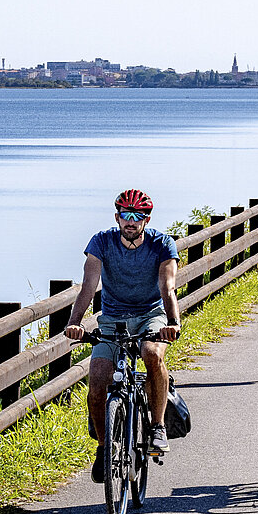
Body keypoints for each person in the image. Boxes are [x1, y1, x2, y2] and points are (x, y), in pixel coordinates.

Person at [62, 189, 182, 482]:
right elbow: (88, 287)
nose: (131, 221)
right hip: (113, 318)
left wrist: (173, 322)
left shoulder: (162, 244)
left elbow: (167, 288)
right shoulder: (101, 242)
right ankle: (104, 448)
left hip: (150, 315)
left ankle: (156, 426)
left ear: (146, 219)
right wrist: (75, 322)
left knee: (152, 354)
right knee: (98, 381)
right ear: (117, 217)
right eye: (125, 216)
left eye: (137, 216)